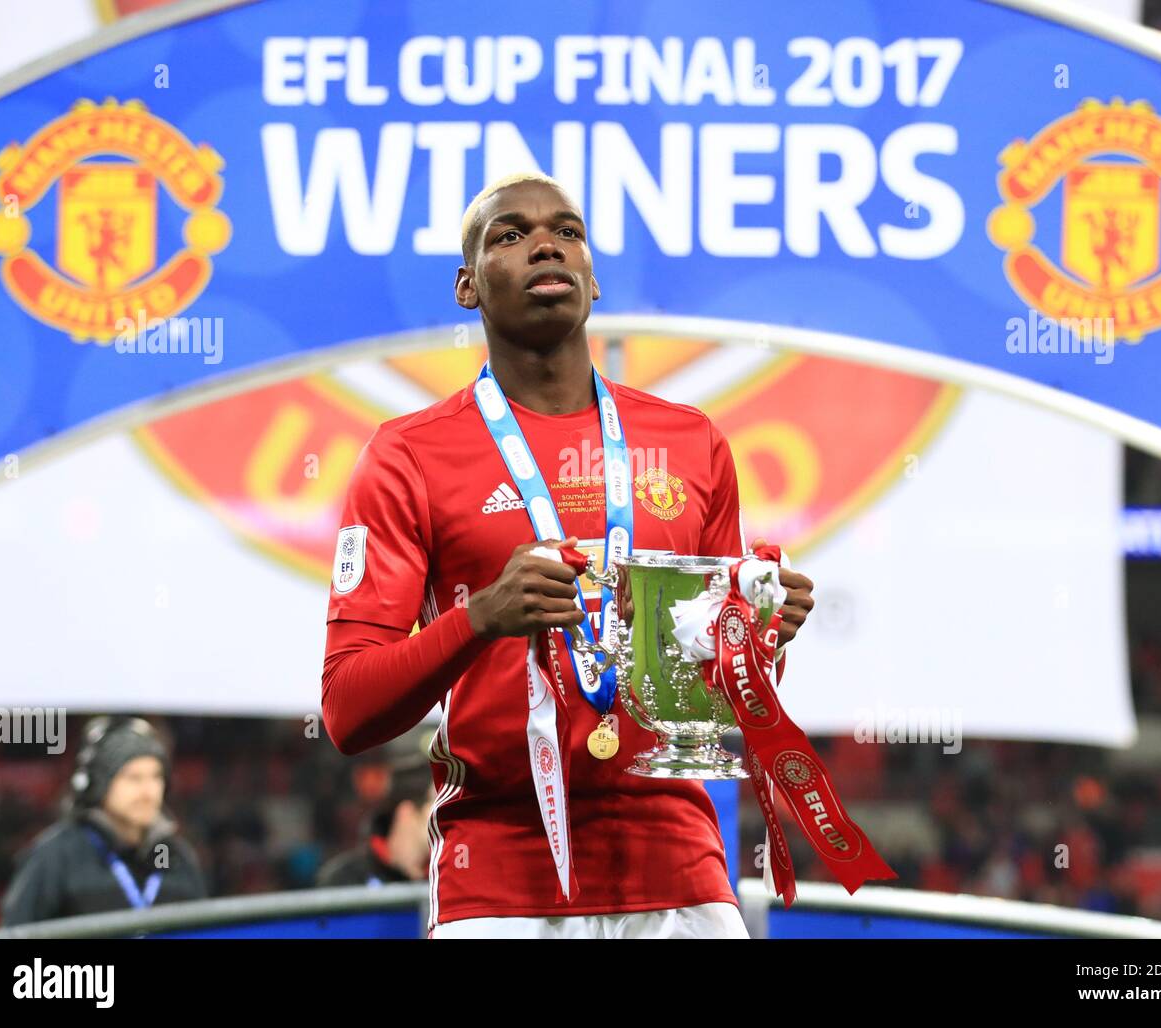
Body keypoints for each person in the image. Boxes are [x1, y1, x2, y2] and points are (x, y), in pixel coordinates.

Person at [320, 172, 815, 939]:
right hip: (499, 882)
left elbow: (714, 692)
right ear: (467, 286)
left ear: (592, 275)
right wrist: (480, 617)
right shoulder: (408, 456)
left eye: (567, 232)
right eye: (509, 235)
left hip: (679, 874)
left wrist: (756, 639)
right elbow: (348, 710)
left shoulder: (691, 442)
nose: (545, 242)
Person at [1, 716, 207, 926]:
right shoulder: (55, 856)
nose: (148, 791)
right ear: (100, 783)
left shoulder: (178, 857)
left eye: (156, 777)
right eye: (133, 778)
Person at [316, 752, 437, 887]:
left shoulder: (450, 879)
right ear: (407, 812)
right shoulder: (344, 881)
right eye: (439, 802)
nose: (451, 810)